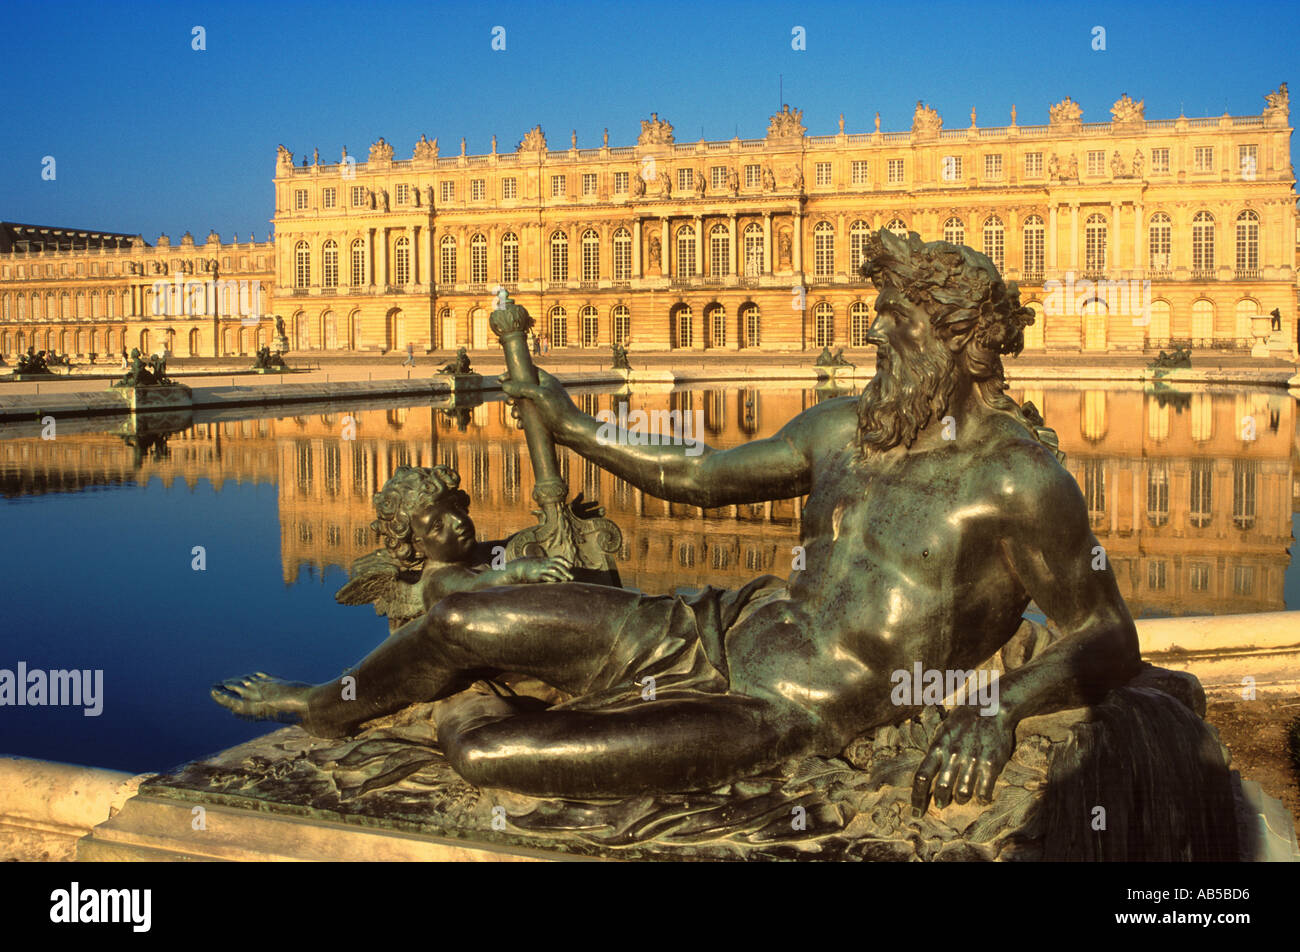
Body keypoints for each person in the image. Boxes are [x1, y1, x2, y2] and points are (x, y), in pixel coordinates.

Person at [213, 228, 1140, 808]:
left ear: (960, 335)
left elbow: (1105, 632)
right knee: (454, 617)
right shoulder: (845, 431)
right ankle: (327, 705)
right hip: (708, 628)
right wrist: (574, 426)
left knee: (493, 753)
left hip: (784, 709)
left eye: (894, 319)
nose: (873, 334)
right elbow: (693, 474)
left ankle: (494, 699)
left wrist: (1000, 706)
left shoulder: (1020, 483)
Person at [336, 465, 574, 632]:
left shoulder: (470, 555)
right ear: (417, 544)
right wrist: (519, 571)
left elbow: (507, 545)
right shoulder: (438, 580)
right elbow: (475, 584)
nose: (459, 522)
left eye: (456, 509)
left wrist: (555, 526)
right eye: (438, 525)